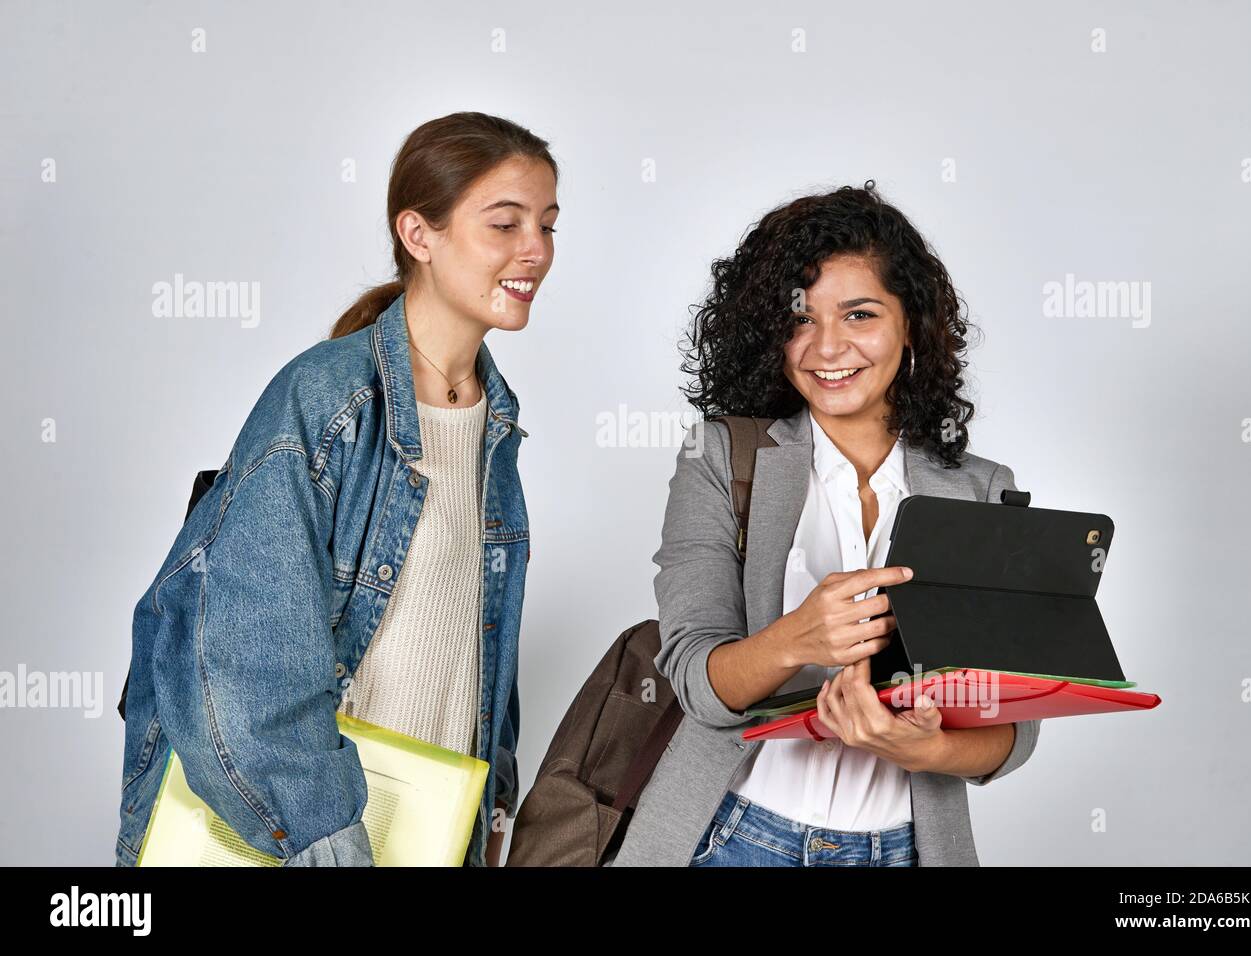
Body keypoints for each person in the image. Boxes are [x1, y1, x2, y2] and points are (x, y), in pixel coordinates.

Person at [115, 112, 558, 867]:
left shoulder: (495, 422)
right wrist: (323, 835)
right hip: (316, 834)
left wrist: (491, 802)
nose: (536, 252)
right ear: (420, 234)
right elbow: (247, 651)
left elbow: (477, 641)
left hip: (426, 825)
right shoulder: (326, 401)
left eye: (548, 226)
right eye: (505, 224)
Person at [611, 181, 1040, 867]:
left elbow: (1012, 725)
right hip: (731, 838)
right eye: (800, 318)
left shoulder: (981, 492)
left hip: (904, 848)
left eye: (860, 314)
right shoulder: (724, 458)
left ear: (911, 323)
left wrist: (923, 747)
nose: (826, 347)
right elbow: (696, 679)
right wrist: (792, 639)